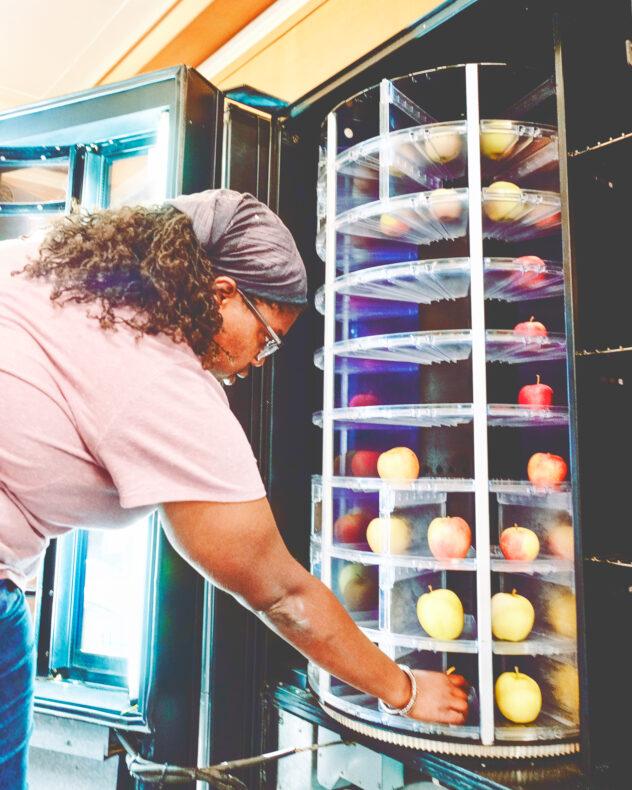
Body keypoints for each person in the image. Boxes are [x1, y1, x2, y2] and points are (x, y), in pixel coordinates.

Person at [0, 189, 468, 787]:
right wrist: (405, 691)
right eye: (268, 337)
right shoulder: (159, 375)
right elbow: (282, 596)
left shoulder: (52, 264)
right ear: (221, 293)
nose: (262, 361)